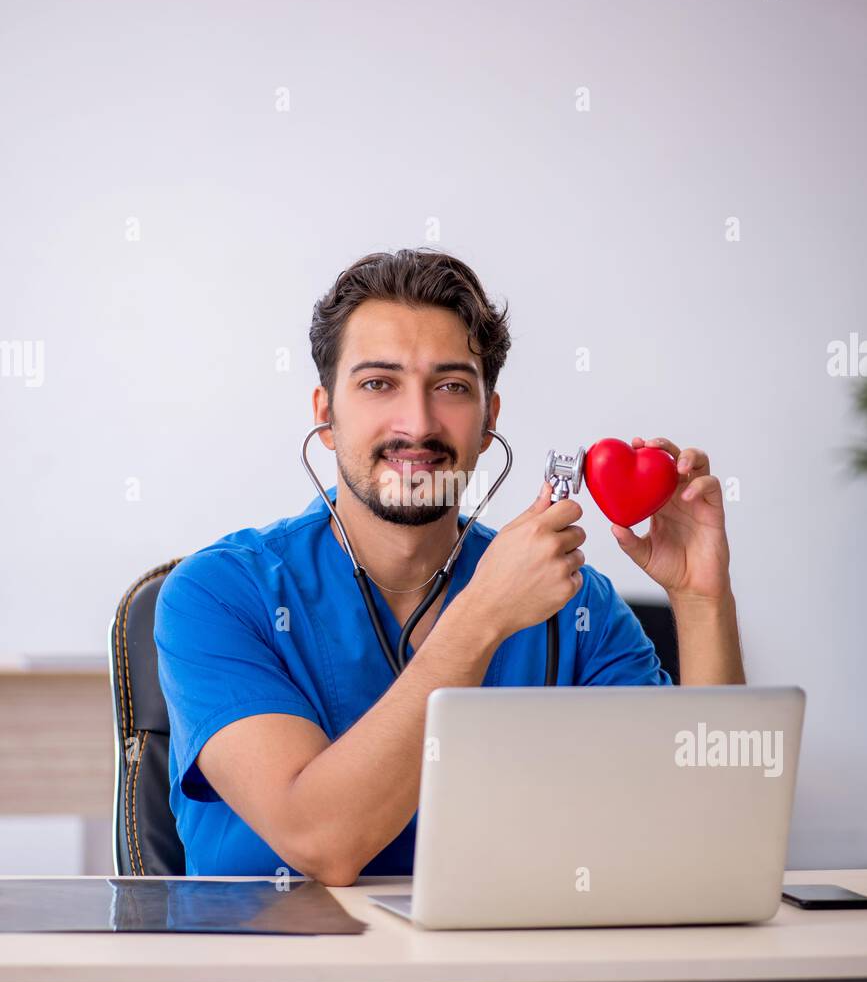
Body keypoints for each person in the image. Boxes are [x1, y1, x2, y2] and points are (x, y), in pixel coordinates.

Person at [154, 248, 745, 882]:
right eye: (379, 383)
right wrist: (483, 615)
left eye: (452, 386)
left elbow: (710, 837)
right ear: (325, 416)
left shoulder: (577, 605)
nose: (418, 422)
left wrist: (701, 598)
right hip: (280, 975)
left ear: (489, 420)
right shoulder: (217, 595)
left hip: (508, 974)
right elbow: (324, 841)